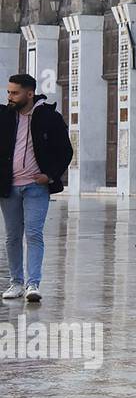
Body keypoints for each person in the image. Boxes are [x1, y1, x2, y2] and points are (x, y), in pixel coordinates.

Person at [0, 74, 73, 303]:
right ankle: (16, 283)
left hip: (35, 187)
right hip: (9, 188)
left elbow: (65, 150)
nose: (10, 97)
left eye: (15, 93)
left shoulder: (49, 117)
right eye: (8, 92)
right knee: (12, 237)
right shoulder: (4, 117)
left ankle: (33, 284)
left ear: (29, 94)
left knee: (33, 234)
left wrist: (50, 175)